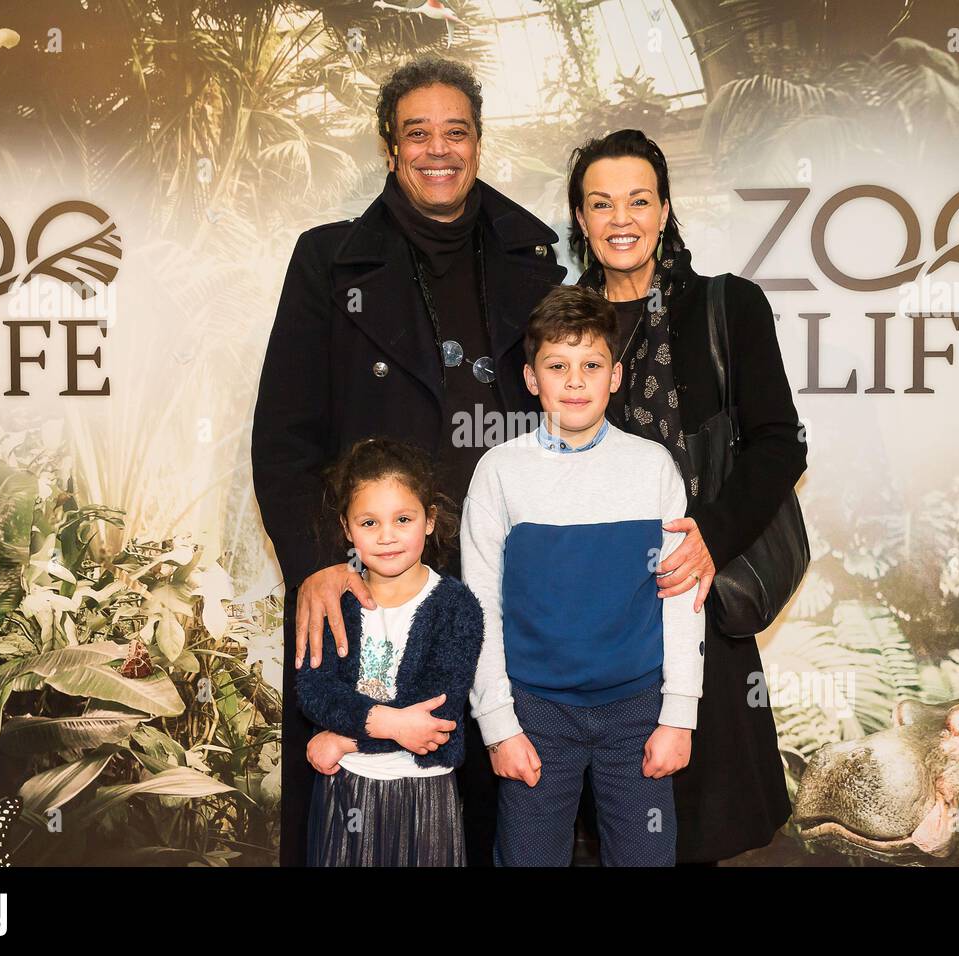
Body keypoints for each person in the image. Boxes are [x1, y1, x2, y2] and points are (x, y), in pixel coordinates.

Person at [250, 56, 565, 866]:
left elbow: (568, 418)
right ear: (390, 150)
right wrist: (319, 563)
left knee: (499, 807)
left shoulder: (533, 259)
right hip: (368, 587)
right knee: (357, 810)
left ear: (479, 145)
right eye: (416, 133)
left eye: (455, 132)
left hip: (501, 583)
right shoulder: (329, 261)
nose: (438, 149)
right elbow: (284, 436)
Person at [567, 129, 808, 863]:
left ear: (665, 209)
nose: (622, 218)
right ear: (580, 219)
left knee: (697, 830)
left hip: (698, 599)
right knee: (594, 836)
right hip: (591, 622)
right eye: (601, 202)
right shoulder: (561, 323)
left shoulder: (727, 307)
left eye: (639, 199)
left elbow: (779, 443)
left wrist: (710, 532)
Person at [459, 285, 706, 866]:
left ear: (614, 376)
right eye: (557, 366)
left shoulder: (652, 468)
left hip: (640, 710)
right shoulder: (499, 472)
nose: (575, 381)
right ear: (530, 378)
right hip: (535, 712)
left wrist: (679, 715)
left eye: (591, 365)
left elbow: (681, 597)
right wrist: (497, 724)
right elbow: (479, 606)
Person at [294, 438, 484, 866]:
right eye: (369, 523)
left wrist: (344, 738)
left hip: (424, 795)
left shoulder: (456, 606)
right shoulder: (333, 602)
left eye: (403, 519)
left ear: (430, 520)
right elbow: (315, 691)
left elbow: (436, 719)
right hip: (347, 788)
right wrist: (389, 724)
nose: (387, 537)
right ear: (346, 528)